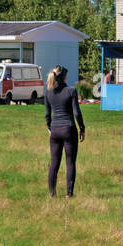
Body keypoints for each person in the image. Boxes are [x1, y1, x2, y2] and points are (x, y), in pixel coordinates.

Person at [43, 65, 85, 198]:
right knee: (70, 162)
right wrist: (82, 128)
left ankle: (52, 193)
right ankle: (69, 194)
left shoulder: (48, 93)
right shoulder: (71, 91)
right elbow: (76, 113)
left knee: (54, 163)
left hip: (55, 130)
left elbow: (47, 115)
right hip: (68, 129)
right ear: (64, 76)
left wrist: (50, 128)